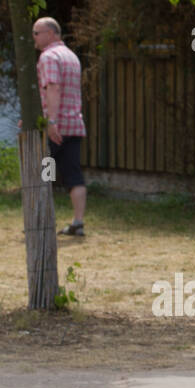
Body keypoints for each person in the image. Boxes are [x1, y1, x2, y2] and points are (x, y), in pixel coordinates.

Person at [33, 17, 87, 236]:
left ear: (51, 33)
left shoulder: (49, 56)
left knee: (43, 174)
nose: (34, 38)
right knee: (74, 175)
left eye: (37, 33)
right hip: (74, 123)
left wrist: (51, 121)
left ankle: (41, 223)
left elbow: (53, 88)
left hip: (55, 127)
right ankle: (78, 222)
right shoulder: (71, 56)